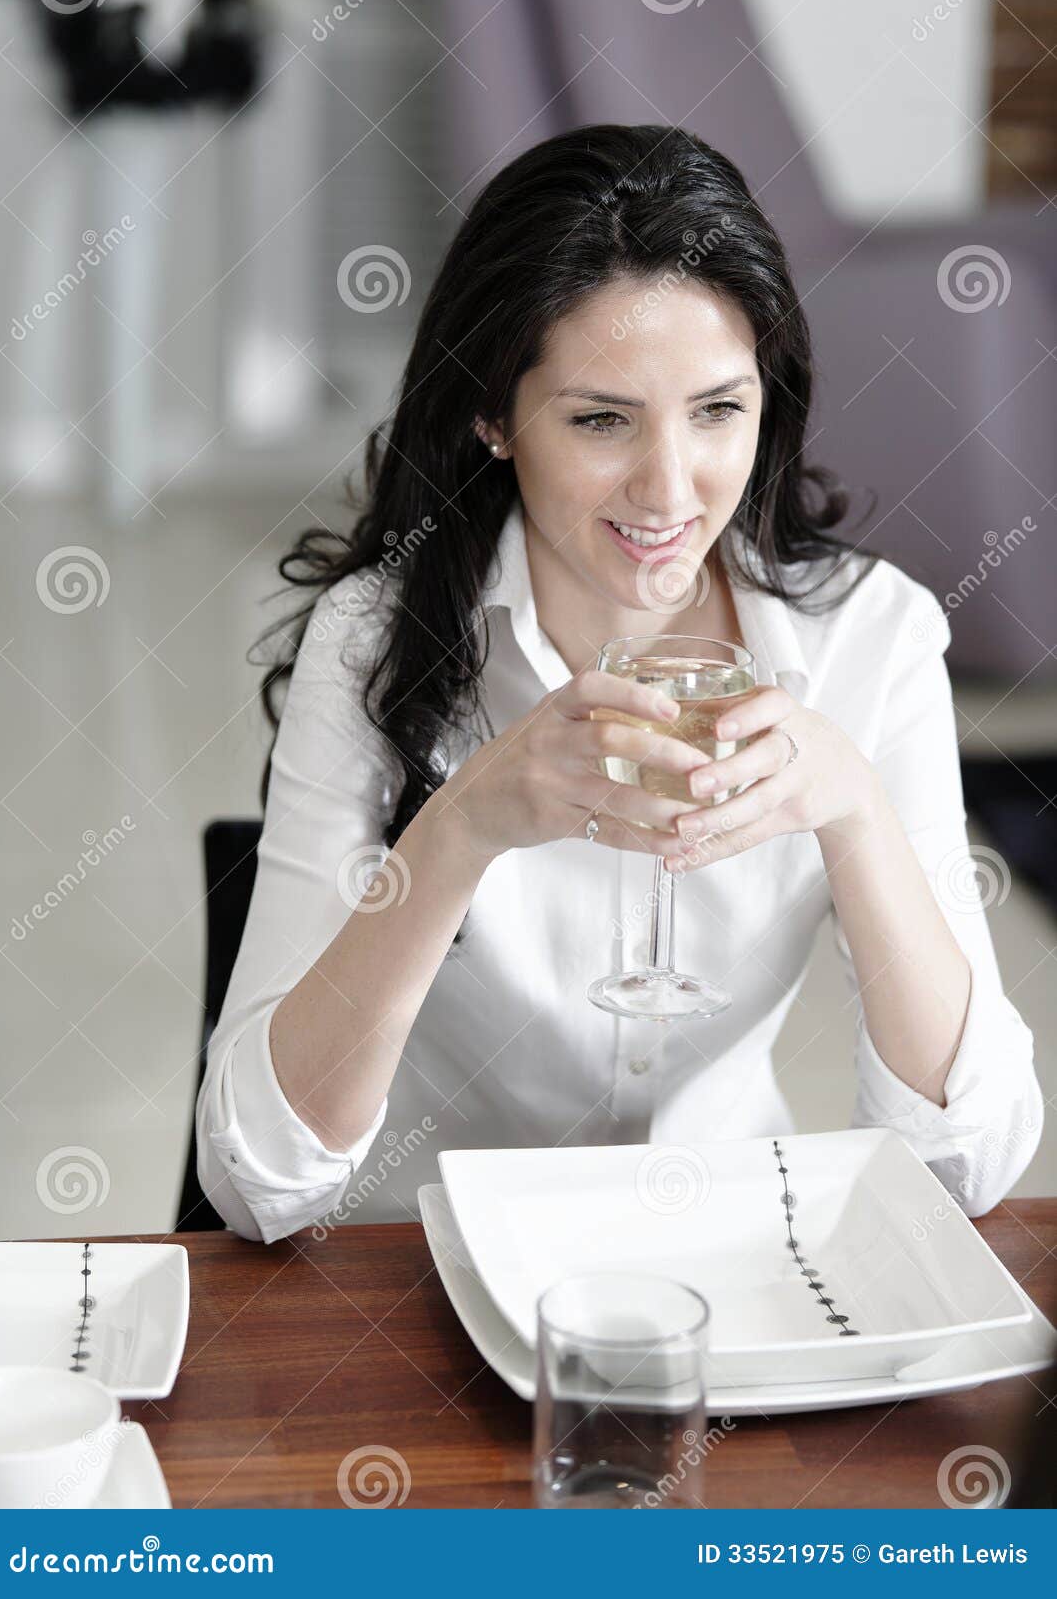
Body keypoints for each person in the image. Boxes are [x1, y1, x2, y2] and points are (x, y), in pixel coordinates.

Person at [195, 124, 1042, 1245]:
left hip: (730, 1255)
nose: (668, 489)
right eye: (600, 419)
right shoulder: (373, 642)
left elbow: (967, 1164)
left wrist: (854, 811)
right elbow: (257, 1182)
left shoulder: (867, 639)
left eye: (715, 410)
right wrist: (459, 828)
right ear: (492, 415)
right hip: (425, 1270)